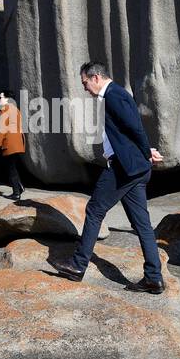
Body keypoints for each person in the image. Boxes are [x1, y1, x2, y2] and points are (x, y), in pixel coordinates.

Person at [50, 62, 166, 294]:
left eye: (84, 82)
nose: (84, 88)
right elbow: (130, 130)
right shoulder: (115, 95)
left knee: (94, 211)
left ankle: (77, 265)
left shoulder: (114, 95)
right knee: (142, 225)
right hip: (134, 168)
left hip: (124, 168)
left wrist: (146, 151)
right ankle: (153, 278)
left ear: (95, 77)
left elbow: (136, 128)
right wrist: (147, 152)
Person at [0, 90, 26, 201]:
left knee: (11, 168)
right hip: (19, 142)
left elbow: (2, 128)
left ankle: (16, 193)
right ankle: (19, 187)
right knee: (13, 166)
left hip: (10, 143)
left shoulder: (5, 109)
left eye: (0, 97)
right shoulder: (16, 110)